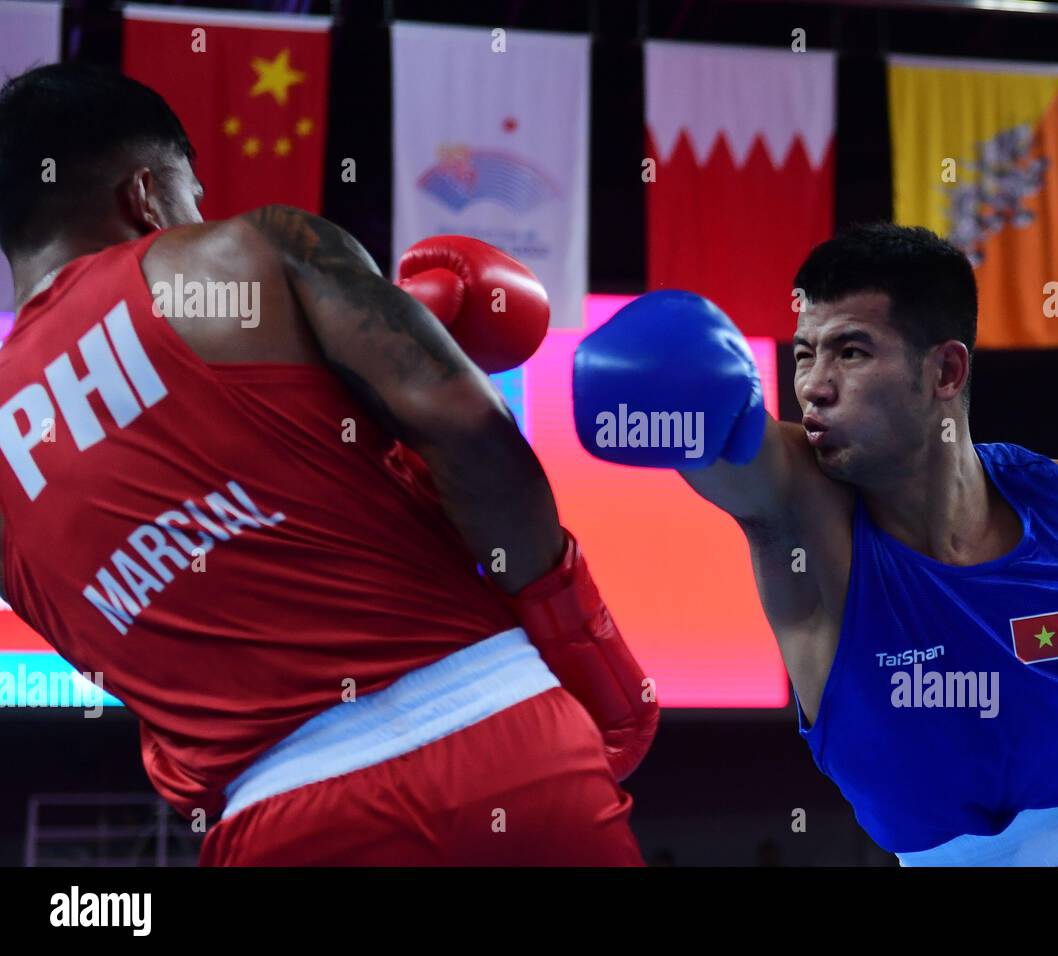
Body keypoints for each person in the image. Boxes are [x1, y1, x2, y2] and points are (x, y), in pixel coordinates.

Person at [0, 62, 656, 866]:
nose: (200, 213)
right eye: (191, 193)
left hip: (278, 816)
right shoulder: (252, 250)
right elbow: (469, 426)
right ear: (144, 194)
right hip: (500, 735)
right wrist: (569, 629)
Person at [572, 222, 1058, 866]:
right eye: (802, 355)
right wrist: (678, 408)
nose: (813, 387)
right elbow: (737, 458)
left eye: (850, 352)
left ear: (946, 371)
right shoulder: (806, 516)